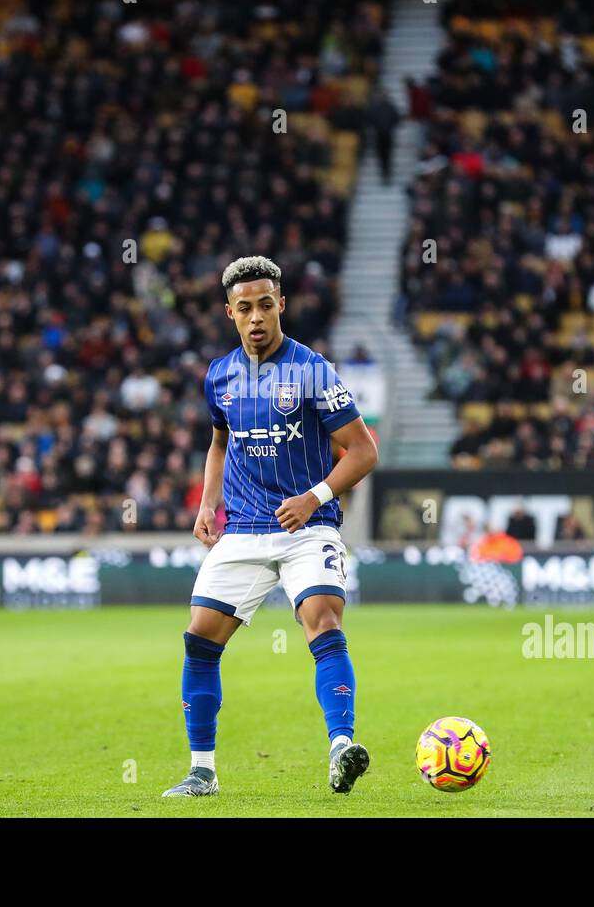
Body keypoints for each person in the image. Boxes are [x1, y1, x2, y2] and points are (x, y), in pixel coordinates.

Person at [163, 256, 380, 798]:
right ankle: (202, 772)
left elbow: (363, 450)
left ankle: (340, 748)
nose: (256, 316)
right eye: (245, 308)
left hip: (308, 527)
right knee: (198, 642)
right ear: (230, 313)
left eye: (265, 305)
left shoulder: (311, 370)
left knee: (323, 623)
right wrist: (208, 503)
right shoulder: (219, 374)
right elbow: (218, 442)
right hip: (243, 531)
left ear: (281, 304)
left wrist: (314, 497)